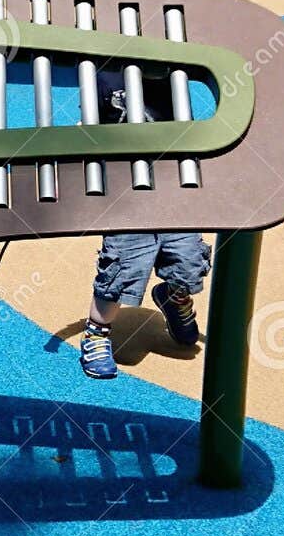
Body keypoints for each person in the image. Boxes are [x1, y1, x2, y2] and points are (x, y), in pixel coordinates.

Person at [79, 70, 209, 379]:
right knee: (121, 268)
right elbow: (90, 122)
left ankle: (174, 296)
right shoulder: (106, 74)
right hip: (126, 191)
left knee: (189, 260)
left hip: (170, 182)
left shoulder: (168, 70)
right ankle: (96, 334)